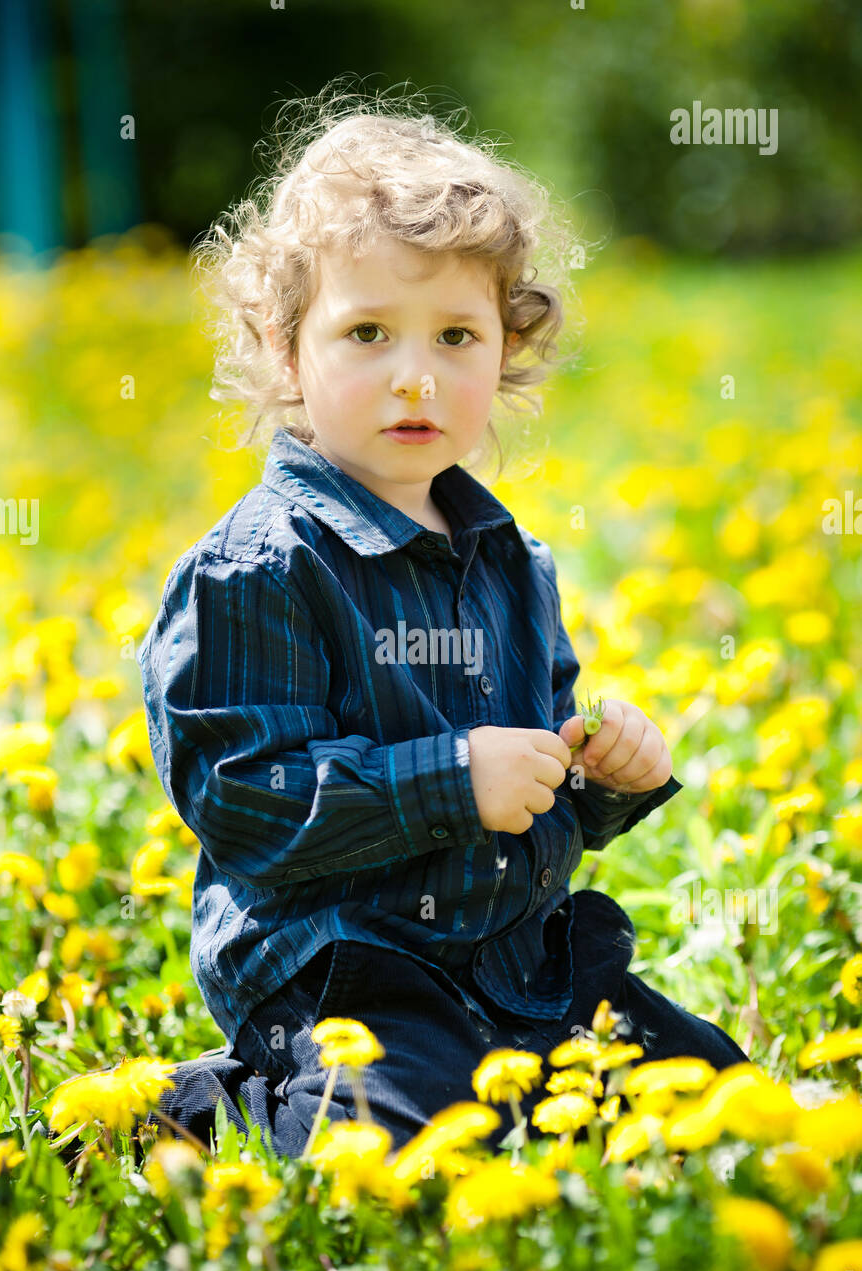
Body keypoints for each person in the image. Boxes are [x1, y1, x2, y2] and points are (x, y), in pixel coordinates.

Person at [136, 90, 748, 1159]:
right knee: (419, 1146)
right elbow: (246, 804)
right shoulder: (257, 569)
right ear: (286, 353)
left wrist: (599, 779)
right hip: (344, 974)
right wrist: (448, 776)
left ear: (502, 353)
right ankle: (206, 1108)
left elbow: (528, 796)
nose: (414, 373)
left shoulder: (511, 563)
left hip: (510, 966)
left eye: (455, 334)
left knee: (712, 1097)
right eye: (366, 332)